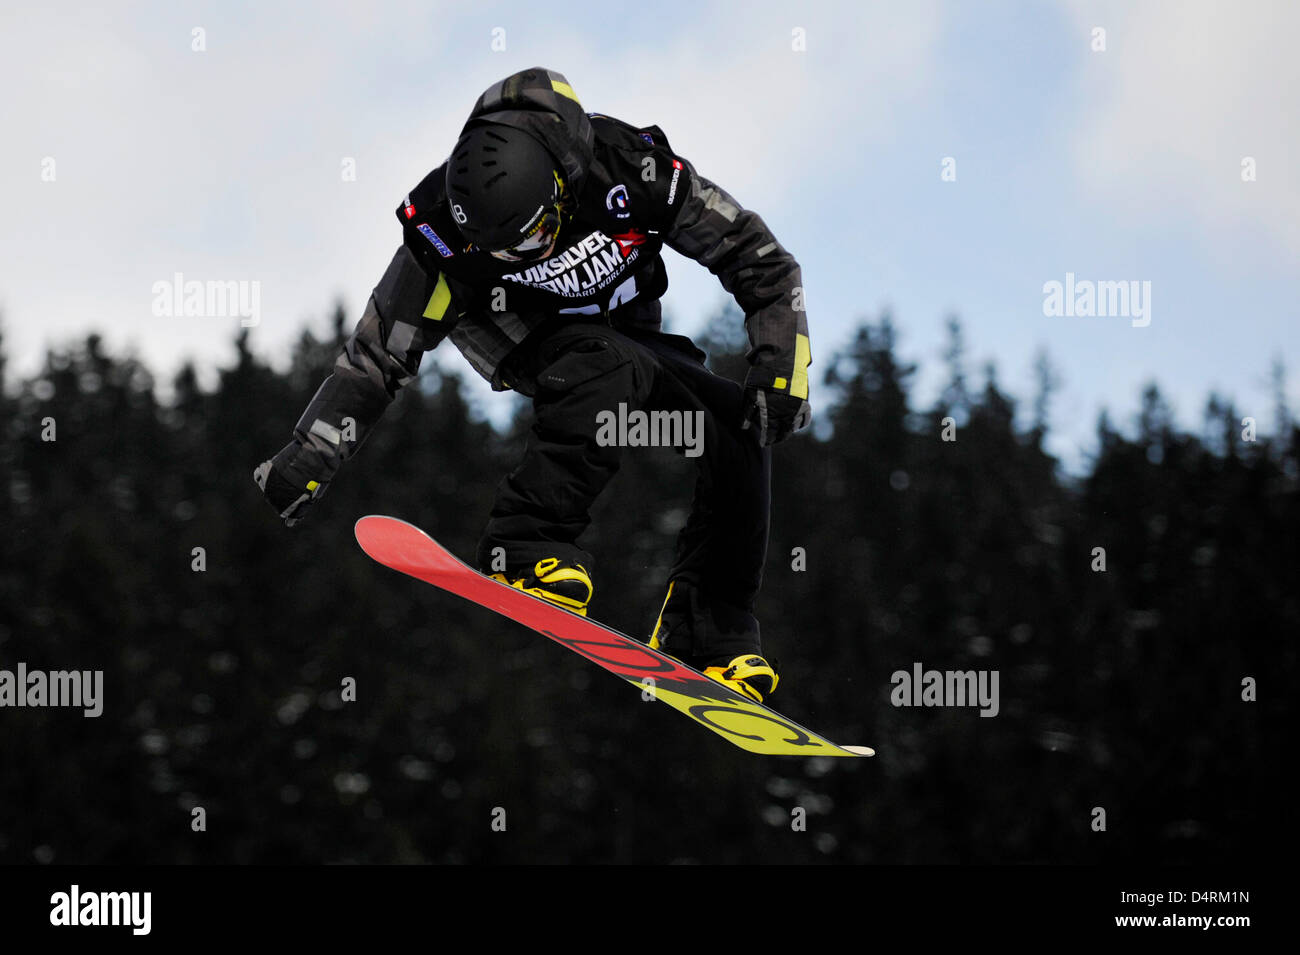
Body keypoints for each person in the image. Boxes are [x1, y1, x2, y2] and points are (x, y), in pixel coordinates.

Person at [254, 67, 811, 703]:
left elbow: (756, 255)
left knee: (739, 424)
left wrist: (778, 363)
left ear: (562, 188)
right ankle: (523, 546)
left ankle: (708, 630)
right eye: (500, 252)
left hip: (631, 336)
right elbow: (379, 355)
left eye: (531, 241)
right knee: (602, 362)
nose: (522, 261)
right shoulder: (441, 234)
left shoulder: (635, 171)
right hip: (526, 338)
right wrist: (310, 457)